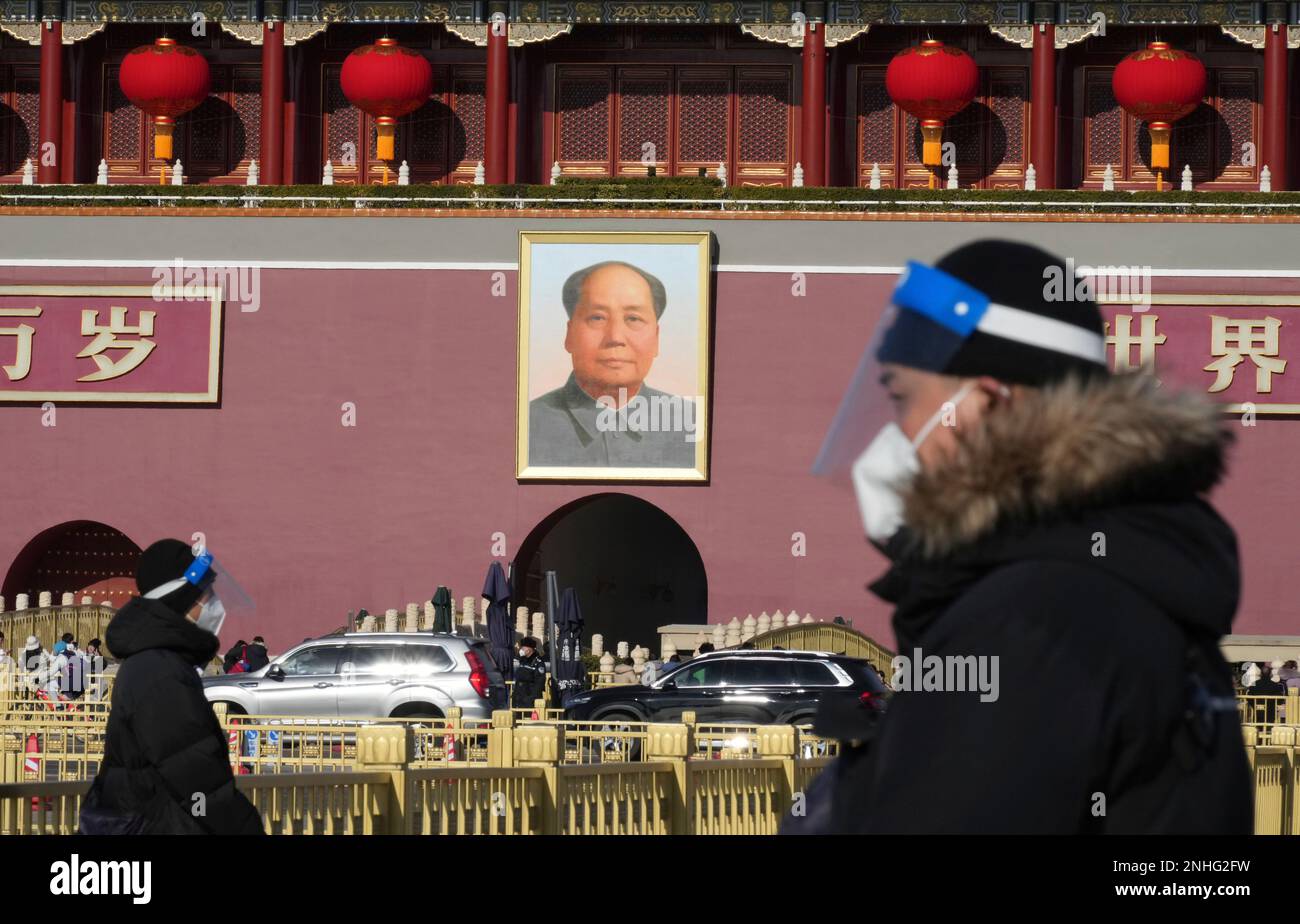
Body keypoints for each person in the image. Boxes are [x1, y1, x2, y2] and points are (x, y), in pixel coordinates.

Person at [807, 239, 1251, 834]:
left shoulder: (1027, 621)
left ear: (986, 406)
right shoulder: (1129, 574)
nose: (894, 431)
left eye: (903, 399)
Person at [80, 538, 262, 835]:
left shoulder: (158, 662)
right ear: (184, 597)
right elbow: (197, 783)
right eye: (207, 593)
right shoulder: (161, 673)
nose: (213, 601)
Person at [528, 261, 696, 468]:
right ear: (569, 334)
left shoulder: (692, 425)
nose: (615, 337)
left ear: (656, 338)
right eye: (597, 318)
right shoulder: (525, 425)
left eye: (633, 319)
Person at [511, 637, 547, 709]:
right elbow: (519, 677)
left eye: (523, 648)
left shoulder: (538, 663)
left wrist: (531, 699)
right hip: (518, 699)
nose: (522, 650)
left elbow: (539, 683)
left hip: (529, 700)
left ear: (530, 649)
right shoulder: (523, 660)